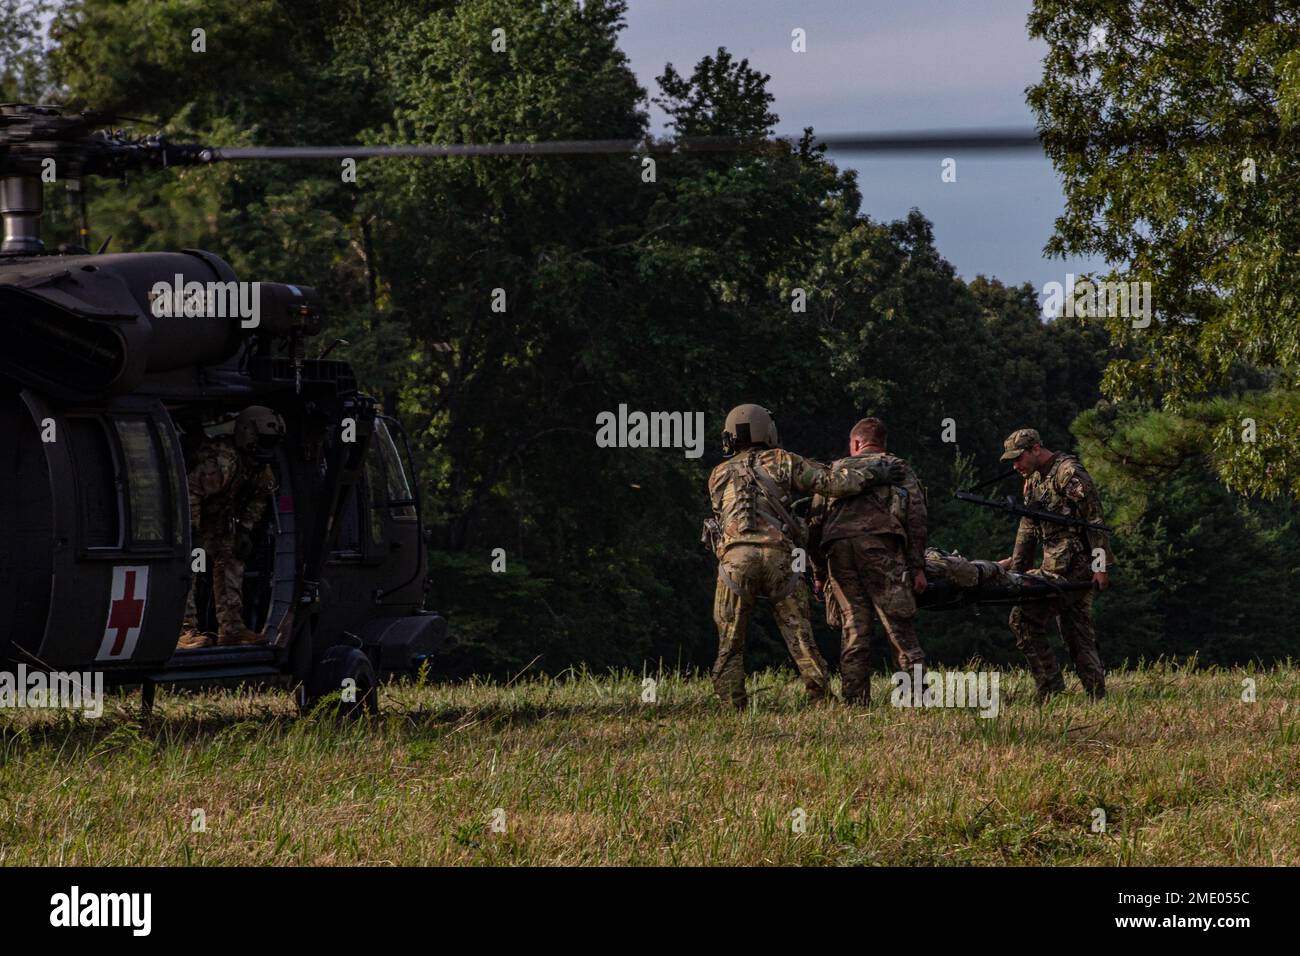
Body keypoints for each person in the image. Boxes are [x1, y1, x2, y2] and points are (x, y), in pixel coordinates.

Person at [704, 404, 899, 709]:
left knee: (730, 639)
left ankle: (732, 703)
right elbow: (832, 482)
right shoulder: (782, 460)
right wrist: (876, 472)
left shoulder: (717, 474)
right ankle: (820, 697)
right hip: (780, 557)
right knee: (799, 635)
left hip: (734, 560)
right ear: (766, 430)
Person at [809, 417, 928, 705]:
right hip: (881, 547)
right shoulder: (898, 468)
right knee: (898, 623)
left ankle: (854, 700)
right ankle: (915, 697)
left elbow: (814, 522)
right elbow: (916, 518)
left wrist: (818, 571)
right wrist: (917, 567)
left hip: (838, 551)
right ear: (882, 443)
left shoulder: (835, 469)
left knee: (854, 627)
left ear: (856, 443)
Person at [995, 428, 1112, 700]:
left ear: (1036, 449)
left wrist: (1101, 566)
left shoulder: (1068, 473)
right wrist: (1016, 574)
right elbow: (1027, 528)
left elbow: (1094, 520)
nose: (1015, 465)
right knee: (1075, 630)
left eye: (1018, 458)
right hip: (1056, 566)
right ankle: (1096, 695)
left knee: (1023, 619)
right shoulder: (1034, 479)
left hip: (1076, 567)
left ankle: (1051, 689)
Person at [177, 406, 285, 649]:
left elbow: (259, 498)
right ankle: (183, 629)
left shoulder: (257, 466)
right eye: (264, 440)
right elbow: (190, 492)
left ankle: (232, 628)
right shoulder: (223, 462)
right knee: (190, 565)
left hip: (216, 521)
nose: (267, 447)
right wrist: (191, 532)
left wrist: (245, 529)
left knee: (231, 559)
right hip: (192, 520)